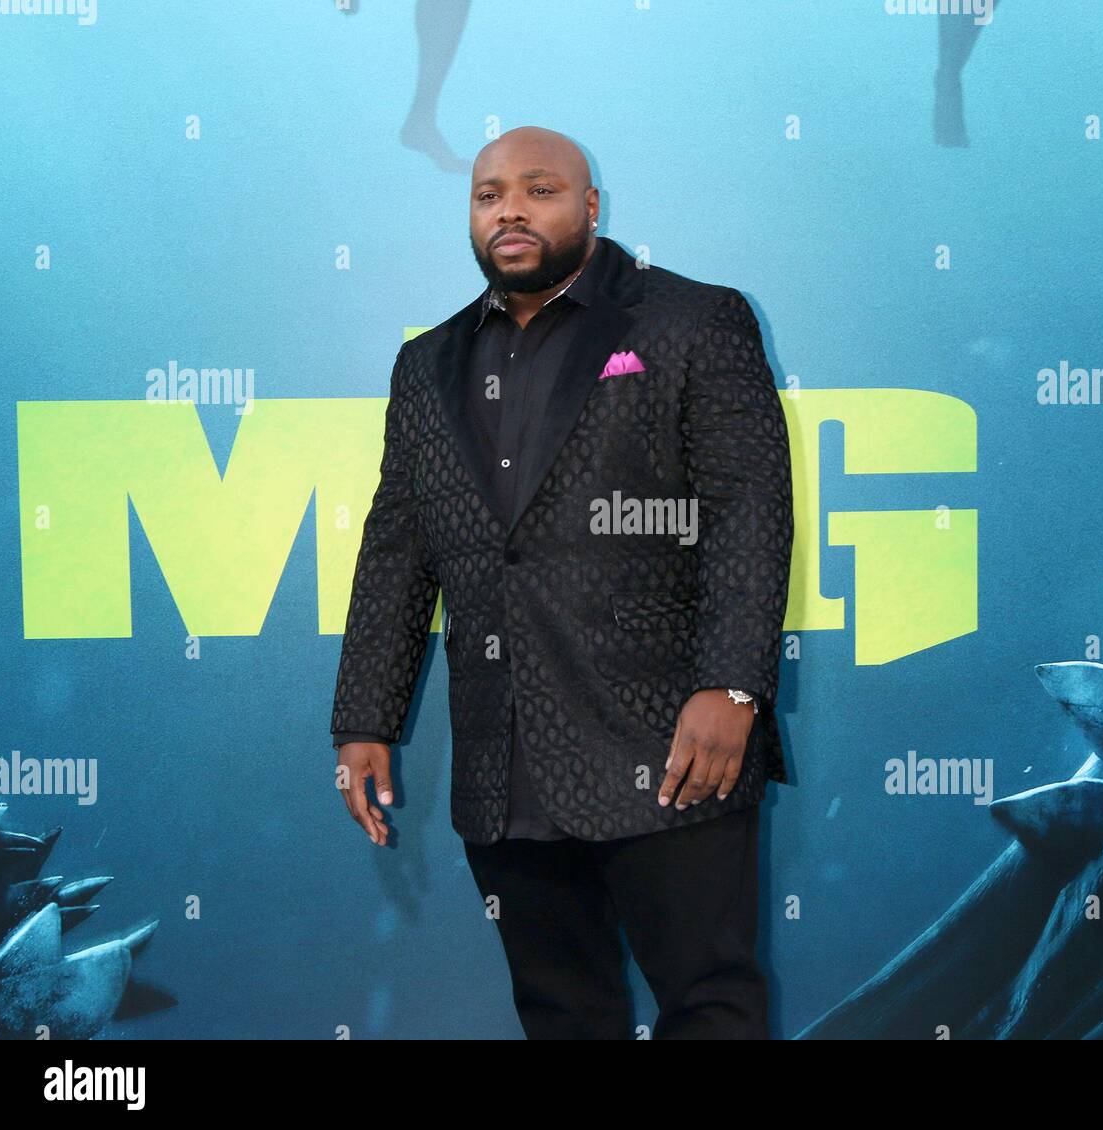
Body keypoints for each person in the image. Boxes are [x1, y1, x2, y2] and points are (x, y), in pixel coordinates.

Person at [329, 125, 794, 1039]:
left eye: (539, 190)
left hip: (672, 743)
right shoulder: (427, 364)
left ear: (590, 207)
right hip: (507, 761)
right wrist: (365, 718)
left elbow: (747, 507)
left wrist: (732, 685)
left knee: (709, 1004)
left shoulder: (692, 320)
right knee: (559, 1014)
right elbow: (397, 548)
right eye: (489, 193)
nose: (510, 208)